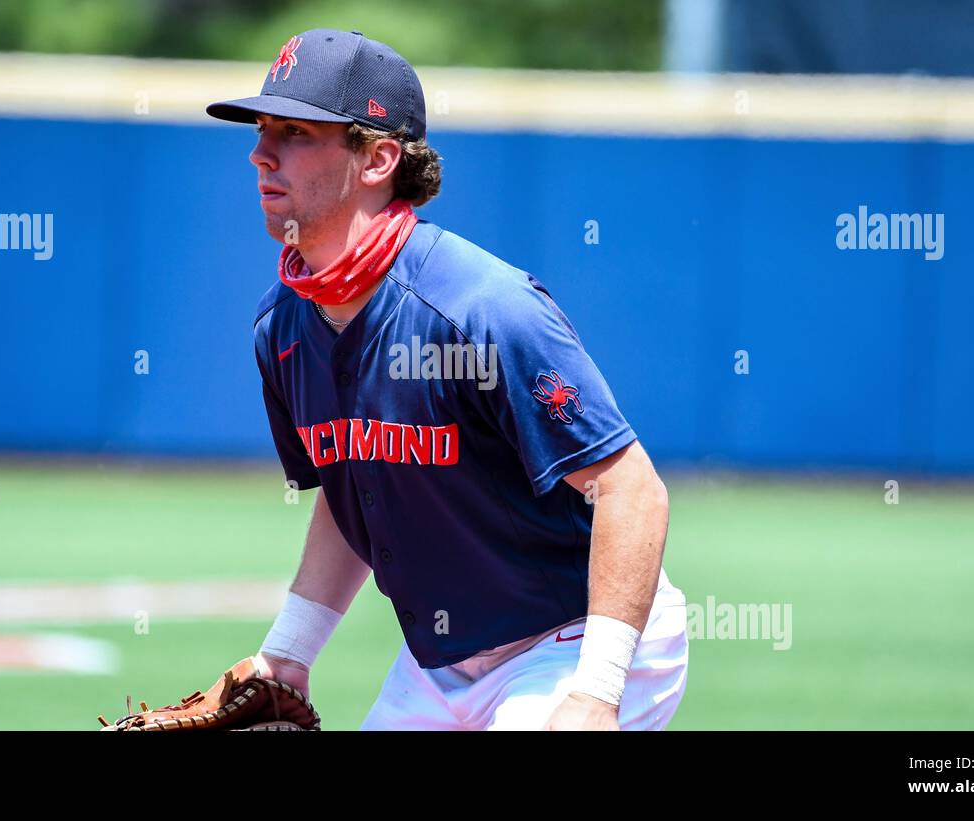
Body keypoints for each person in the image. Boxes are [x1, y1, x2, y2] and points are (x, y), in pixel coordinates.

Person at [206, 28, 688, 730]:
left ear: (377, 158)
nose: (260, 151)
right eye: (262, 129)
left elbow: (631, 489)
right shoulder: (284, 325)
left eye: (295, 131)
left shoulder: (481, 309)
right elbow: (355, 489)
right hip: (442, 663)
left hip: (577, 635)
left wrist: (596, 691)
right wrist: (288, 653)